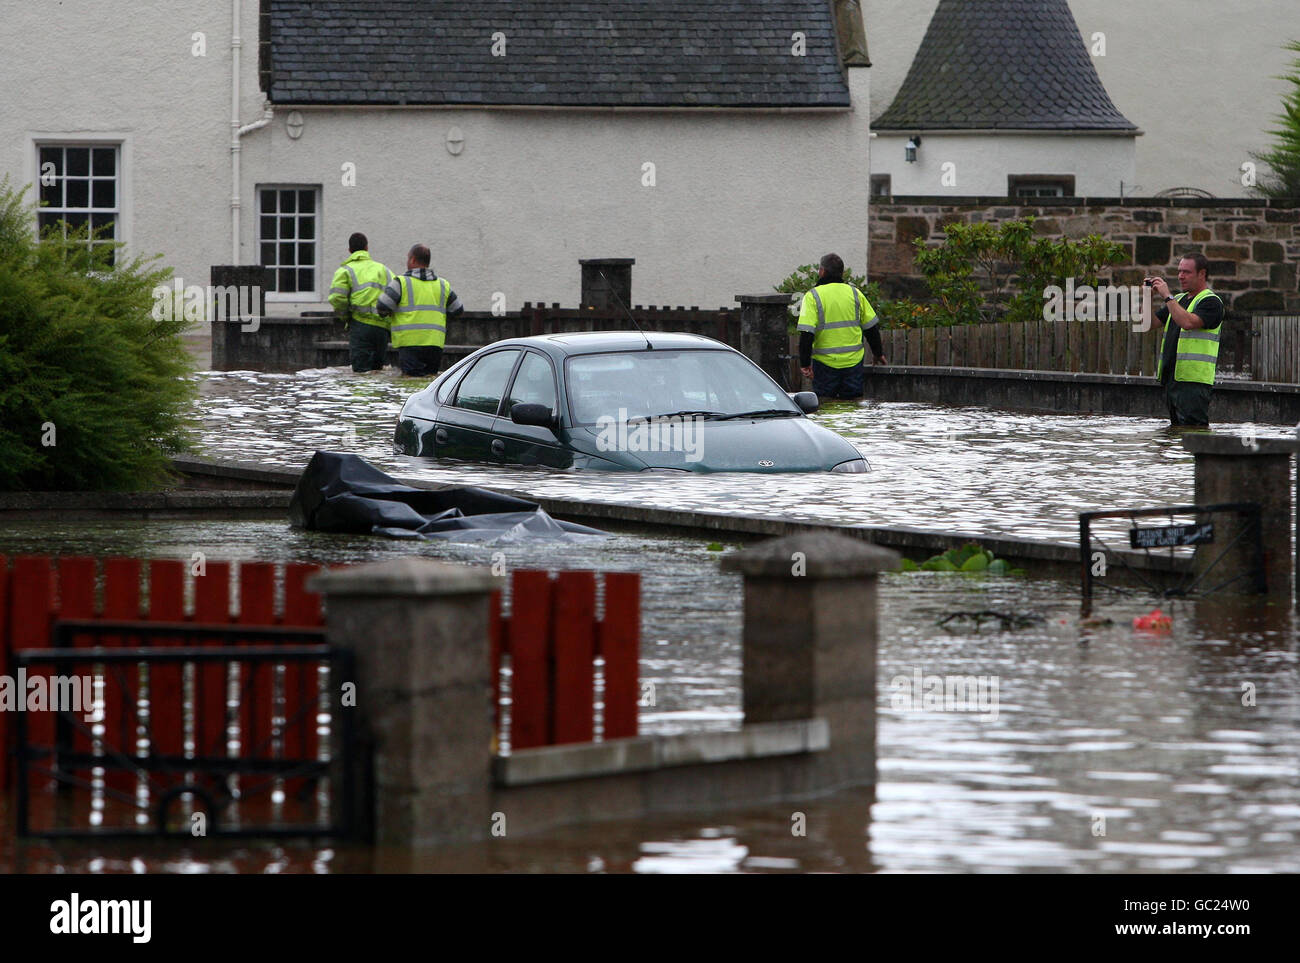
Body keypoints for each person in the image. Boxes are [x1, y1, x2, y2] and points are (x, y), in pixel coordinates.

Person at [1148, 252, 1224, 427]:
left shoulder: (1211, 302)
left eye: (1187, 272)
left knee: (1194, 432)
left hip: (1194, 382)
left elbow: (1188, 322)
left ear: (1202, 274)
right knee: (1176, 433)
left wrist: (1167, 296)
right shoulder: (1179, 300)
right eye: (1179, 271)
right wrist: (1147, 296)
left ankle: (1205, 456)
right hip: (1172, 379)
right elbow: (1148, 324)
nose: (1181, 276)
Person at [797, 253, 885, 400]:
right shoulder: (855, 293)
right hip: (853, 364)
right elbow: (871, 329)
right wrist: (878, 353)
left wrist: (805, 363)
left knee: (826, 406)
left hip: (825, 365)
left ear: (822, 271)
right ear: (842, 273)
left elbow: (807, 333)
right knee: (851, 406)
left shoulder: (812, 296)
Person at [376, 244, 464, 377]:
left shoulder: (401, 282)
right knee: (430, 384)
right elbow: (458, 310)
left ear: (412, 260)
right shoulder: (442, 285)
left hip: (409, 343)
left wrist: (389, 314)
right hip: (435, 343)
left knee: (411, 383)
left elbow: (382, 306)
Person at [328, 233, 394, 372]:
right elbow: (396, 294)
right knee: (377, 370)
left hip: (360, 326)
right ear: (367, 248)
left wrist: (345, 316)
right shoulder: (384, 270)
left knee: (361, 372)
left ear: (349, 250)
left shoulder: (345, 271)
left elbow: (337, 298)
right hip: (382, 329)